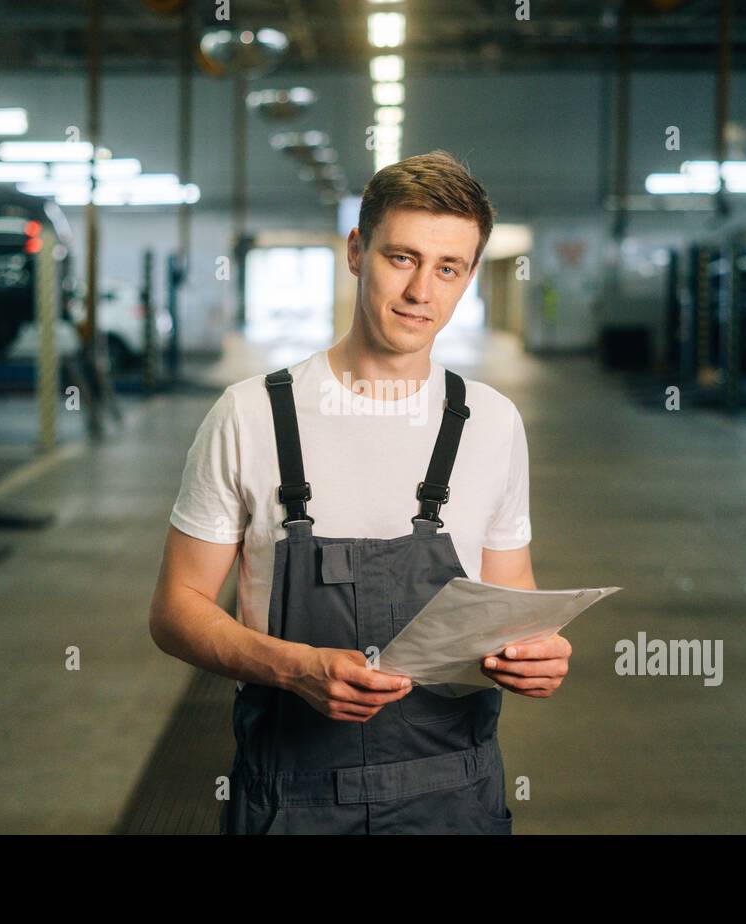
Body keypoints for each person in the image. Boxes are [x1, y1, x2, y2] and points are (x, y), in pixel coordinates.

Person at [149, 150, 572, 835]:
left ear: (468, 277)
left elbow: (511, 598)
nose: (421, 292)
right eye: (402, 258)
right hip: (290, 802)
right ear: (356, 252)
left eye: (448, 268)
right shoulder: (250, 416)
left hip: (455, 800)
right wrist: (293, 668)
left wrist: (534, 653)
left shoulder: (491, 422)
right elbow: (176, 610)